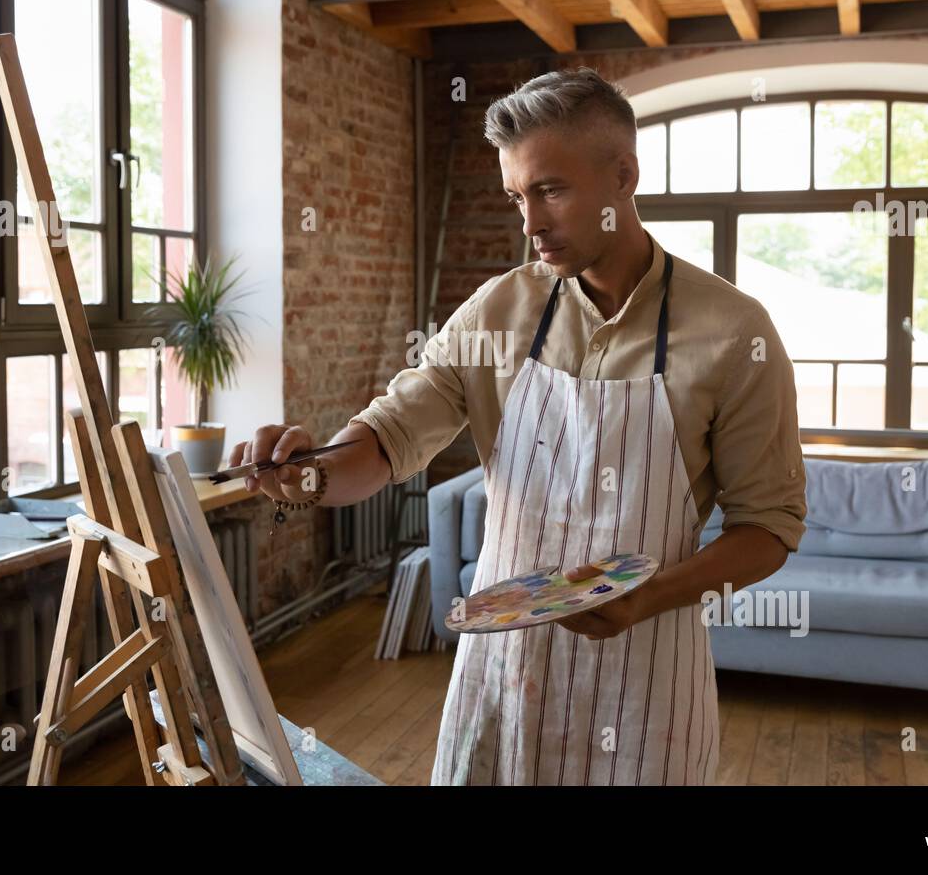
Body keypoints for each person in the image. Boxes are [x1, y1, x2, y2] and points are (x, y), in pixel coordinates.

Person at [228, 66, 807, 785]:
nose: (528, 223)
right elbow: (386, 439)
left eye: (549, 190)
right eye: (514, 197)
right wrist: (308, 472)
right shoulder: (497, 312)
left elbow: (769, 529)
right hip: (504, 672)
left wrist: (648, 596)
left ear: (623, 175)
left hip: (646, 676)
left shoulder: (732, 331)